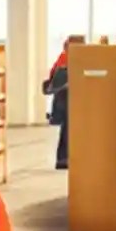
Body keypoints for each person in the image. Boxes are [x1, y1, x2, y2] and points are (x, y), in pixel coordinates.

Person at [42, 35, 84, 170]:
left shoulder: (64, 58)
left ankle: (63, 159)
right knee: (68, 129)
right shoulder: (65, 59)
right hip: (65, 100)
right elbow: (57, 80)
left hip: (65, 99)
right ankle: (63, 159)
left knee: (67, 129)